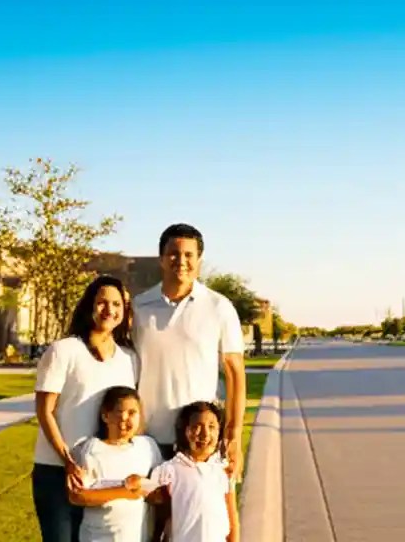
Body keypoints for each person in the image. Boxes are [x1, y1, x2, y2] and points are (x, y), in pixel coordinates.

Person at [131, 223, 246, 476]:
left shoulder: (219, 307)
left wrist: (233, 435)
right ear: (161, 259)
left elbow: (235, 374)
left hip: (201, 441)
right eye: (173, 253)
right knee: (151, 516)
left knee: (203, 515)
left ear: (199, 260)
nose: (181, 261)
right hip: (147, 439)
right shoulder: (139, 307)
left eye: (188, 255)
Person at [33, 276, 139, 542]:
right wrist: (68, 461)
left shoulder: (130, 359)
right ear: (89, 305)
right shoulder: (63, 351)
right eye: (102, 302)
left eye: (116, 304)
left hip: (105, 473)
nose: (109, 309)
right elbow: (45, 411)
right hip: (57, 471)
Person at [68, 386, 165, 542]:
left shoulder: (147, 446)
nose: (124, 419)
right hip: (98, 536)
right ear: (105, 416)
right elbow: (78, 496)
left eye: (132, 413)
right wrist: (125, 490)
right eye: (119, 412)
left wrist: (143, 485)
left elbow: (160, 492)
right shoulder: (91, 449)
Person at [151, 401, 240, 542]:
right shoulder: (169, 470)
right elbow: (157, 517)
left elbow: (233, 522)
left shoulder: (224, 470)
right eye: (196, 427)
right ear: (184, 431)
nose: (205, 435)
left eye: (212, 427)